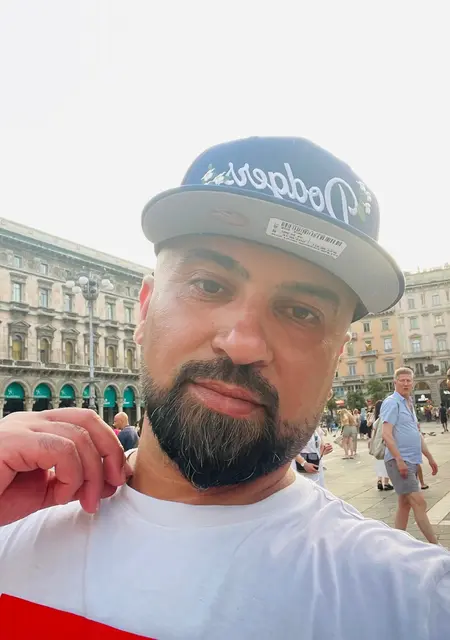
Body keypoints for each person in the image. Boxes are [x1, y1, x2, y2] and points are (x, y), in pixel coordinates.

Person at [0, 136, 449, 639]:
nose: (242, 344)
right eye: (209, 285)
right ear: (145, 310)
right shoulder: (9, 521)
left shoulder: (413, 603)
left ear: (337, 357)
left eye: (302, 313)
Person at [381, 367, 439, 544]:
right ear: (395, 382)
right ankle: (436, 546)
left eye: (409, 380)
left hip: (412, 460)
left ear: (412, 383)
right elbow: (386, 434)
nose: (406, 383)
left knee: (404, 504)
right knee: (419, 502)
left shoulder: (409, 403)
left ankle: (396, 543)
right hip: (400, 460)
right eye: (402, 380)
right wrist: (399, 459)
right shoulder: (392, 402)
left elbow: (416, 433)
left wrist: (429, 457)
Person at [370, 400, 394, 491]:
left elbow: (373, 428)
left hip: (377, 443)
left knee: (379, 462)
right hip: (385, 442)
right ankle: (386, 483)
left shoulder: (378, 418)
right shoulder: (387, 417)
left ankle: (379, 480)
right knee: (388, 463)